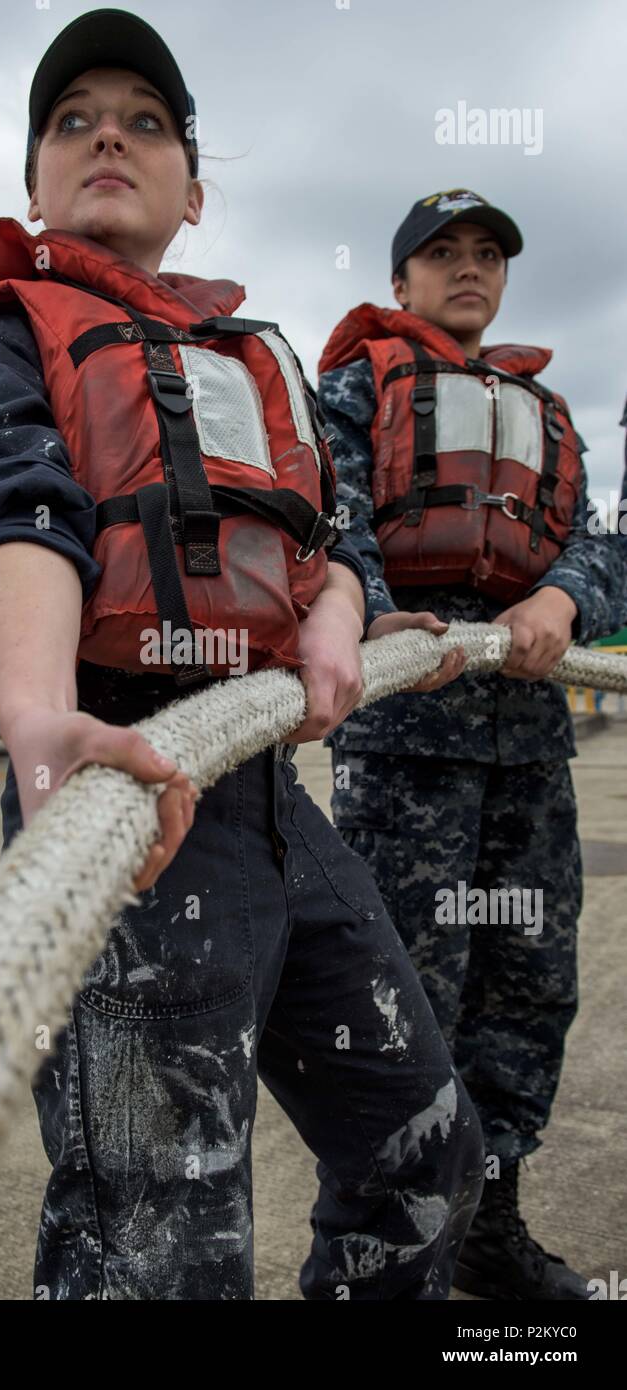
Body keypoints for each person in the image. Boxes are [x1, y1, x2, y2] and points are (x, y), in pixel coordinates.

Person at [0, 13, 483, 1301]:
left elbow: (331, 536)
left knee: (427, 1152)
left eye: (146, 121)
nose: (107, 136)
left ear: (194, 192)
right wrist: (33, 713)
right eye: (72, 118)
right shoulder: (1, 333)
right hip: (116, 788)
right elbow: (11, 503)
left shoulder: (257, 365)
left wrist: (331, 614)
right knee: (155, 1250)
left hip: (269, 797)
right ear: (33, 179)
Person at [318, 189, 626, 1300]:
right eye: (440, 254)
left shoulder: (546, 411)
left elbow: (602, 543)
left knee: (526, 993)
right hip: (407, 750)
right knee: (402, 1008)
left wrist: (564, 600)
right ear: (398, 281)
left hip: (530, 755)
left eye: (486, 253)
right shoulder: (351, 393)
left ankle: (489, 1231)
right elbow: (331, 522)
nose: (467, 269)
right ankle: (381, 1260)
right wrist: (381, 614)